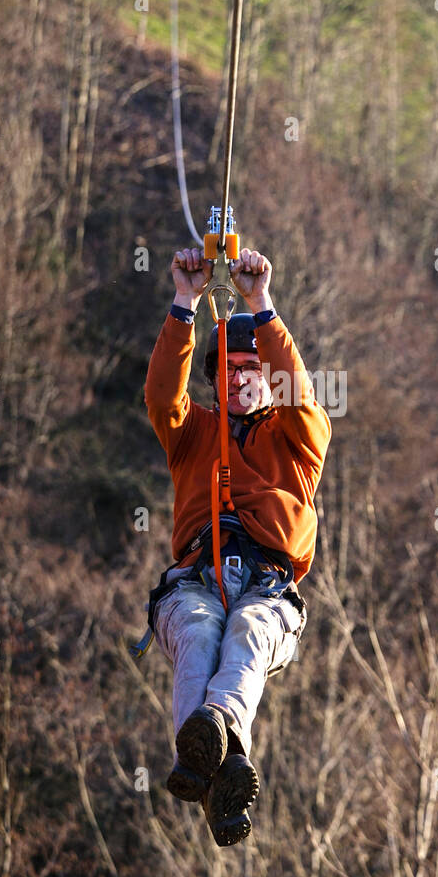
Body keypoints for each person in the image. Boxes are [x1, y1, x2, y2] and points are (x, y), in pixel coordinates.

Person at [142, 246, 332, 846]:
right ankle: (219, 762)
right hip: (197, 579)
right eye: (231, 369)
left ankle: (210, 736)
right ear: (216, 378)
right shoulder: (195, 433)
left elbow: (300, 392)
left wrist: (260, 305)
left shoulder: (298, 437)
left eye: (256, 370)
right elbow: (160, 396)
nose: (245, 378)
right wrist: (185, 303)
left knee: (249, 630)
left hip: (269, 588)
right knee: (199, 633)